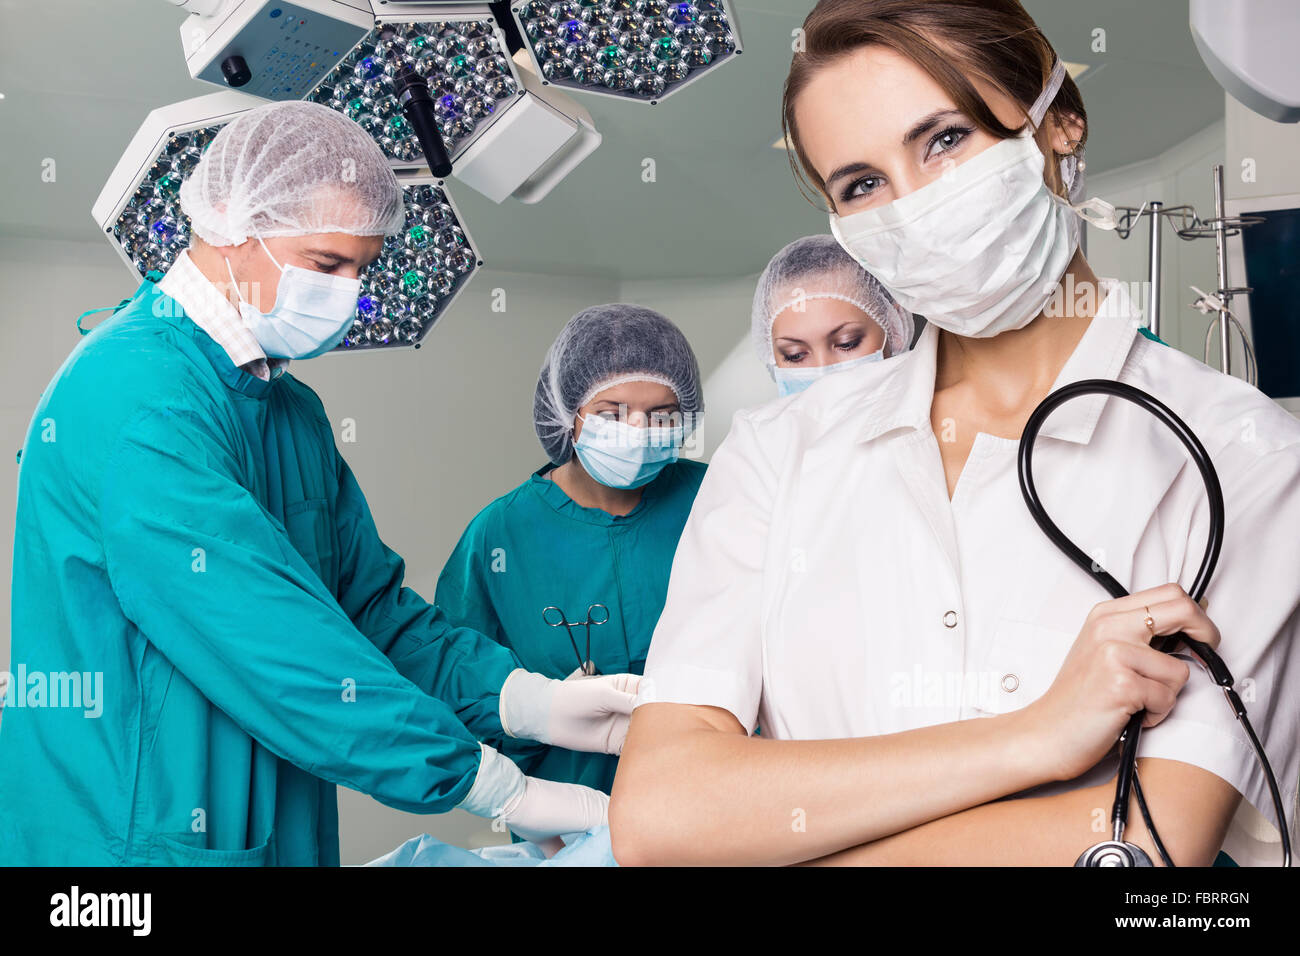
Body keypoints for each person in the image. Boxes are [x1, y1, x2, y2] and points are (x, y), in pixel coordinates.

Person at [611, 0, 1300, 867]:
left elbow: (1146, 851)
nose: (914, 207)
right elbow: (659, 818)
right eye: (862, 185)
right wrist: (1039, 736)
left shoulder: (1240, 456)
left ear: (1058, 123)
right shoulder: (777, 452)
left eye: (943, 140)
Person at [0, 101, 639, 866]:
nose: (349, 293)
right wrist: (494, 787)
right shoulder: (133, 395)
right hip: (128, 851)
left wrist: (527, 702)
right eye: (327, 264)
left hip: (270, 831)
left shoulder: (288, 409)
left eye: (362, 268)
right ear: (232, 226)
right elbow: (272, 640)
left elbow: (365, 612)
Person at [436, 305, 707, 796]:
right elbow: (458, 691)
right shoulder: (500, 536)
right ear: (565, 412)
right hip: (568, 818)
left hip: (719, 799)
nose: (639, 433)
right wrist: (541, 716)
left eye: (662, 415)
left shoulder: (718, 497)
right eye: (613, 414)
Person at [753, 234, 914, 396]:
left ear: (895, 328)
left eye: (846, 344)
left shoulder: (934, 415)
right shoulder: (756, 422)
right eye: (795, 356)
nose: (824, 374)